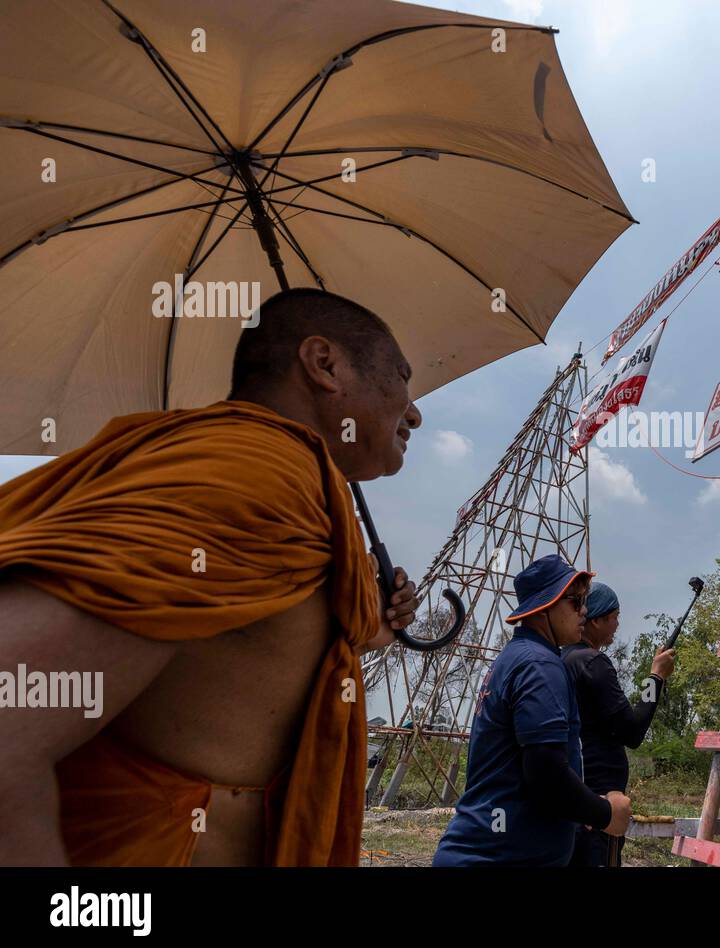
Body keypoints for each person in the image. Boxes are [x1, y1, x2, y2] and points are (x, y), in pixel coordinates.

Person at [0, 289, 422, 866]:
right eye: (401, 377)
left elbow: (260, 649)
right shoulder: (253, 471)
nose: (415, 412)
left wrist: (377, 616)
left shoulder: (300, 493)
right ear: (324, 364)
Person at [432, 556, 631, 866]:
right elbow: (545, 773)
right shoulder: (540, 666)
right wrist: (606, 813)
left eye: (585, 601)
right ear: (545, 605)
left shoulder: (518, 657)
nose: (584, 610)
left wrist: (582, 807)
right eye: (575, 601)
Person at [562, 582, 675, 867]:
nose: (617, 624)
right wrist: (656, 678)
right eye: (614, 617)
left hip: (572, 801)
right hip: (600, 809)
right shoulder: (592, 663)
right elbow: (632, 730)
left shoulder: (562, 659)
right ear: (596, 620)